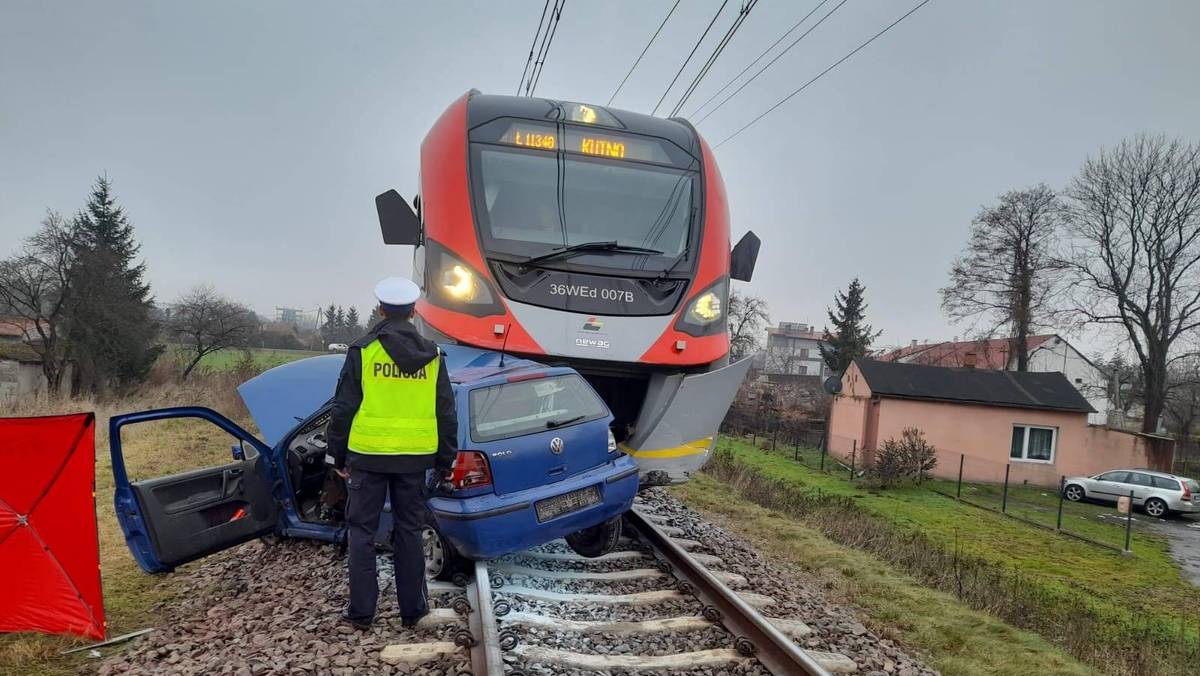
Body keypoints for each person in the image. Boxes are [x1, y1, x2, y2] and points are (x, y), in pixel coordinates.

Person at [326, 277, 458, 630]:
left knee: (362, 533)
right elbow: (446, 411)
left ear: (381, 311)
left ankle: (361, 615)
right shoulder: (433, 355)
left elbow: (344, 407)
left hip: (367, 456)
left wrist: (336, 455)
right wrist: (446, 460)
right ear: (414, 312)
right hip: (414, 459)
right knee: (409, 531)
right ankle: (413, 611)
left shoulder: (363, 351)